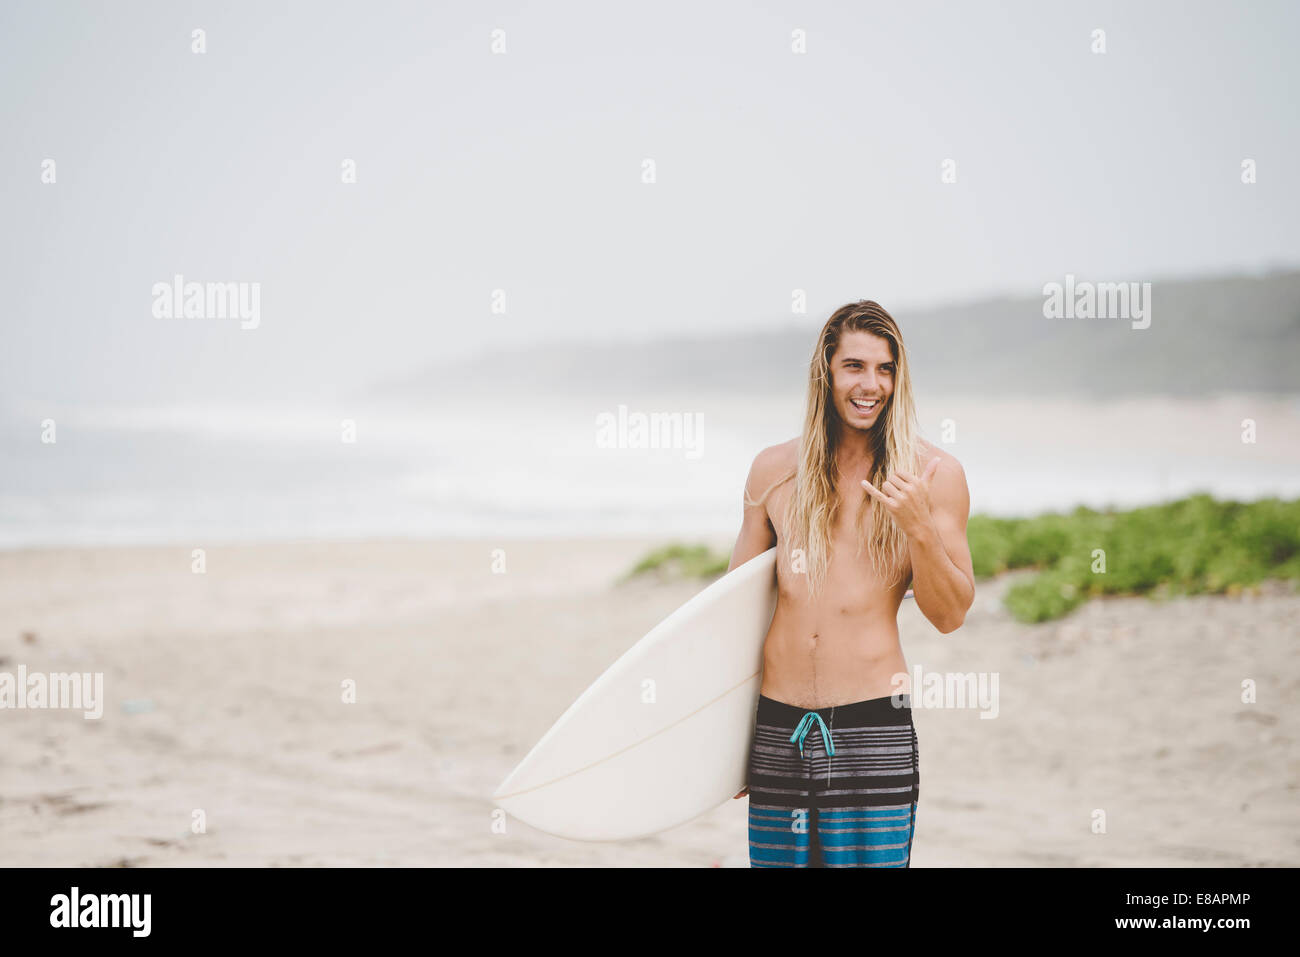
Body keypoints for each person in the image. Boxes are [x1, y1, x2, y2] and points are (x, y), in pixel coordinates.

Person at [727, 300, 974, 867]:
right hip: (779, 729)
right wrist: (731, 746)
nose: (871, 385)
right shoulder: (773, 472)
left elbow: (951, 613)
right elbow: (735, 615)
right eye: (855, 367)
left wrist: (917, 529)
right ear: (826, 372)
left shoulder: (933, 476)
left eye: (885, 369)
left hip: (872, 729)